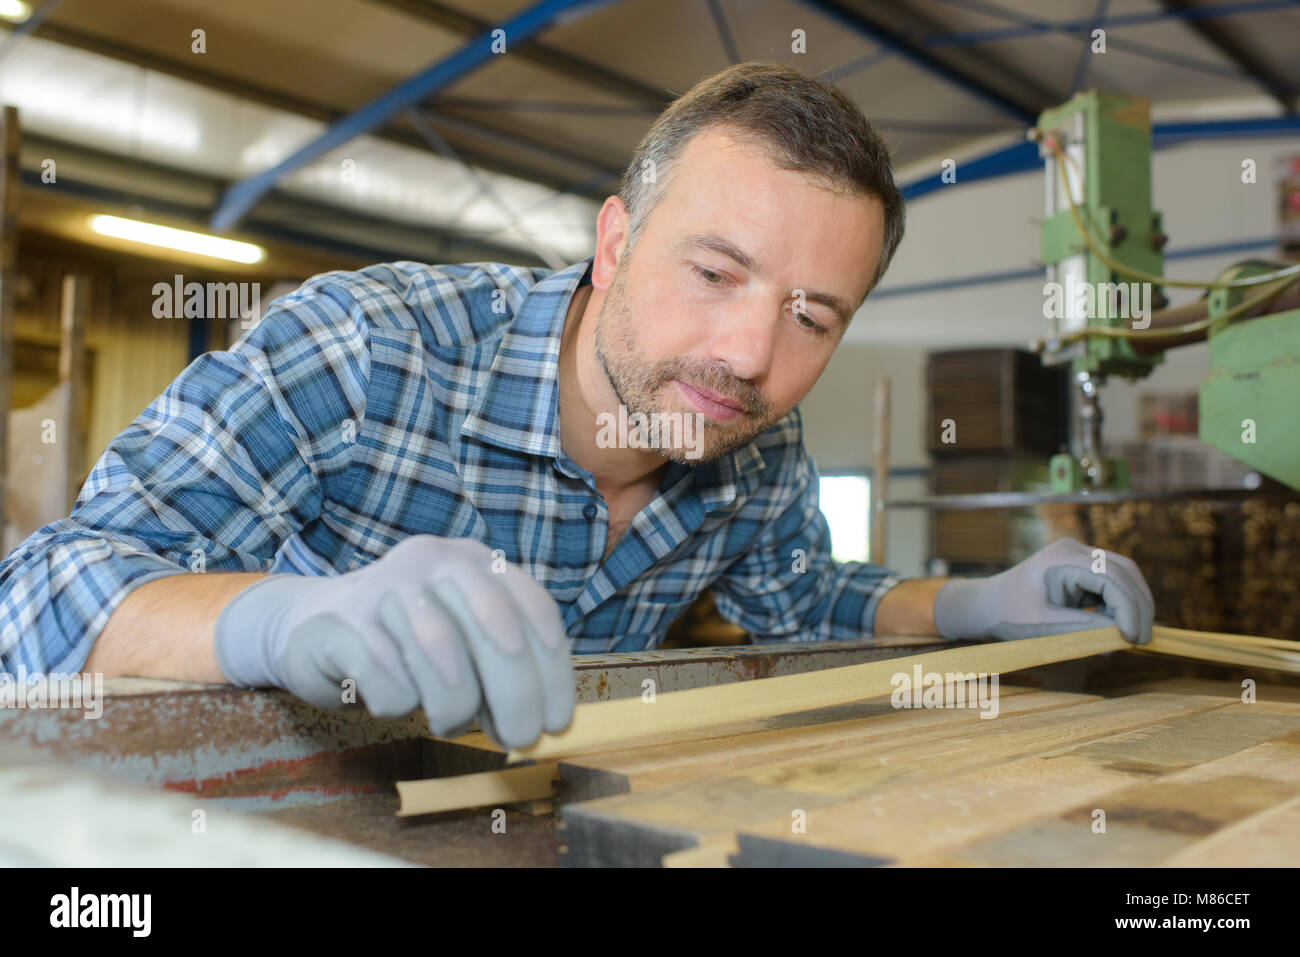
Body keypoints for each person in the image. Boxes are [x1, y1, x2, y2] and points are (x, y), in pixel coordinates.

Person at [0, 63, 1153, 749]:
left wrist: (973, 606)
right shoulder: (362, 350)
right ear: (614, 240)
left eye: (812, 316)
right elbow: (41, 596)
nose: (748, 354)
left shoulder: (757, 447)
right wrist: (287, 618)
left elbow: (806, 598)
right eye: (713, 274)